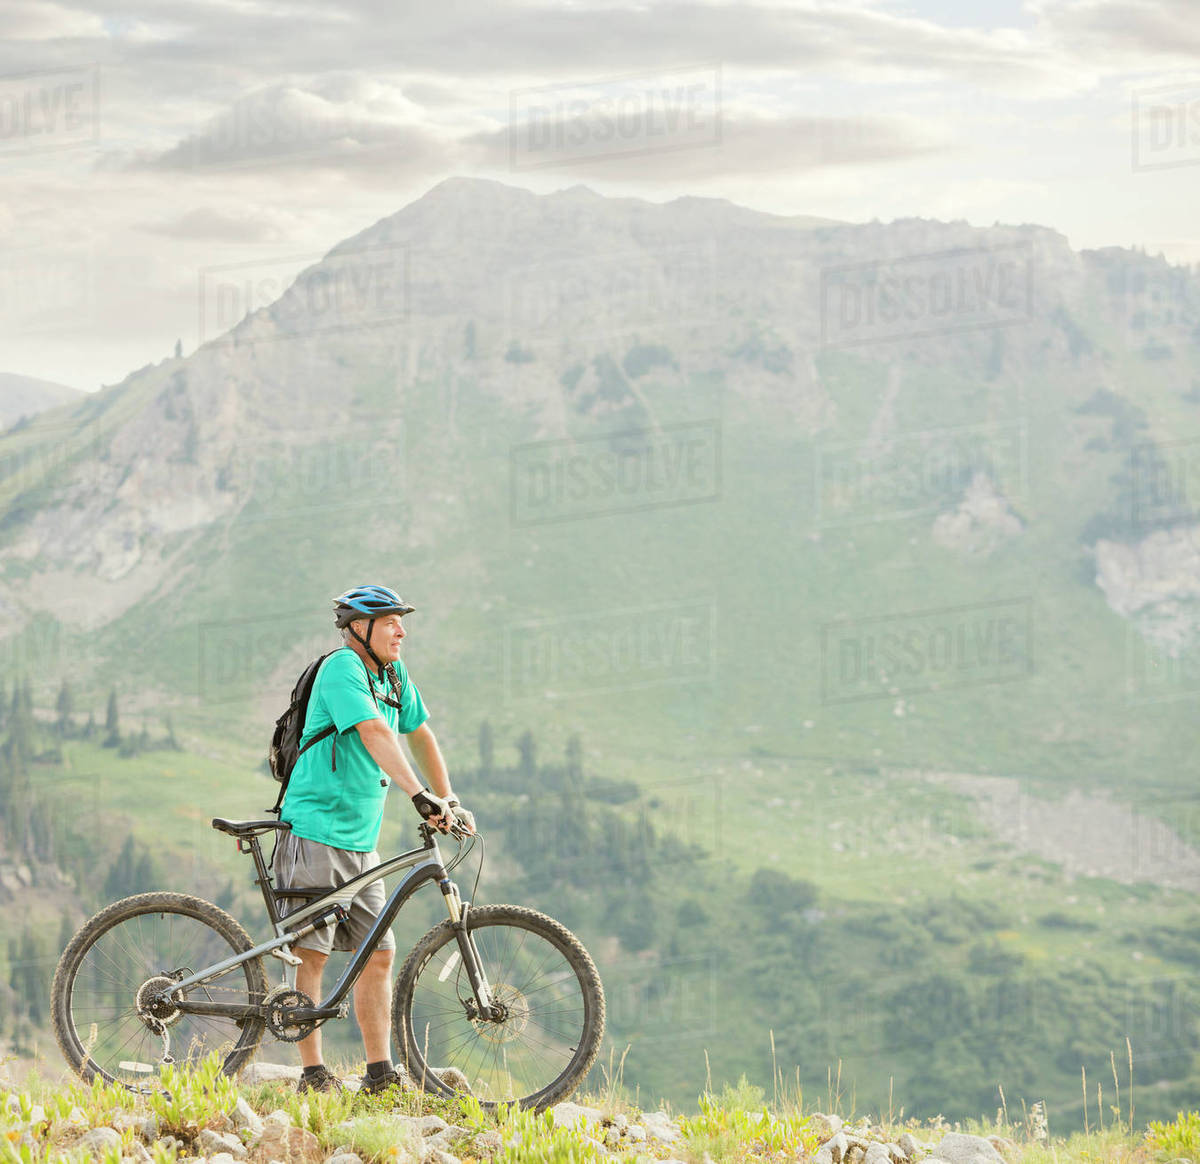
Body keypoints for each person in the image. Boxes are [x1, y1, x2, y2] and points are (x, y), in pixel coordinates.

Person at [272, 584, 476, 1096]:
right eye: (390, 622)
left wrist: (446, 800)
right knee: (311, 954)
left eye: (401, 622)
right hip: (315, 831)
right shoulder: (342, 669)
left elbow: (419, 733)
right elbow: (373, 732)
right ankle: (313, 1073)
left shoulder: (393, 675)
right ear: (359, 629)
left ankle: (380, 1073)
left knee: (378, 953)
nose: (402, 631)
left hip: (363, 845)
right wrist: (418, 795)